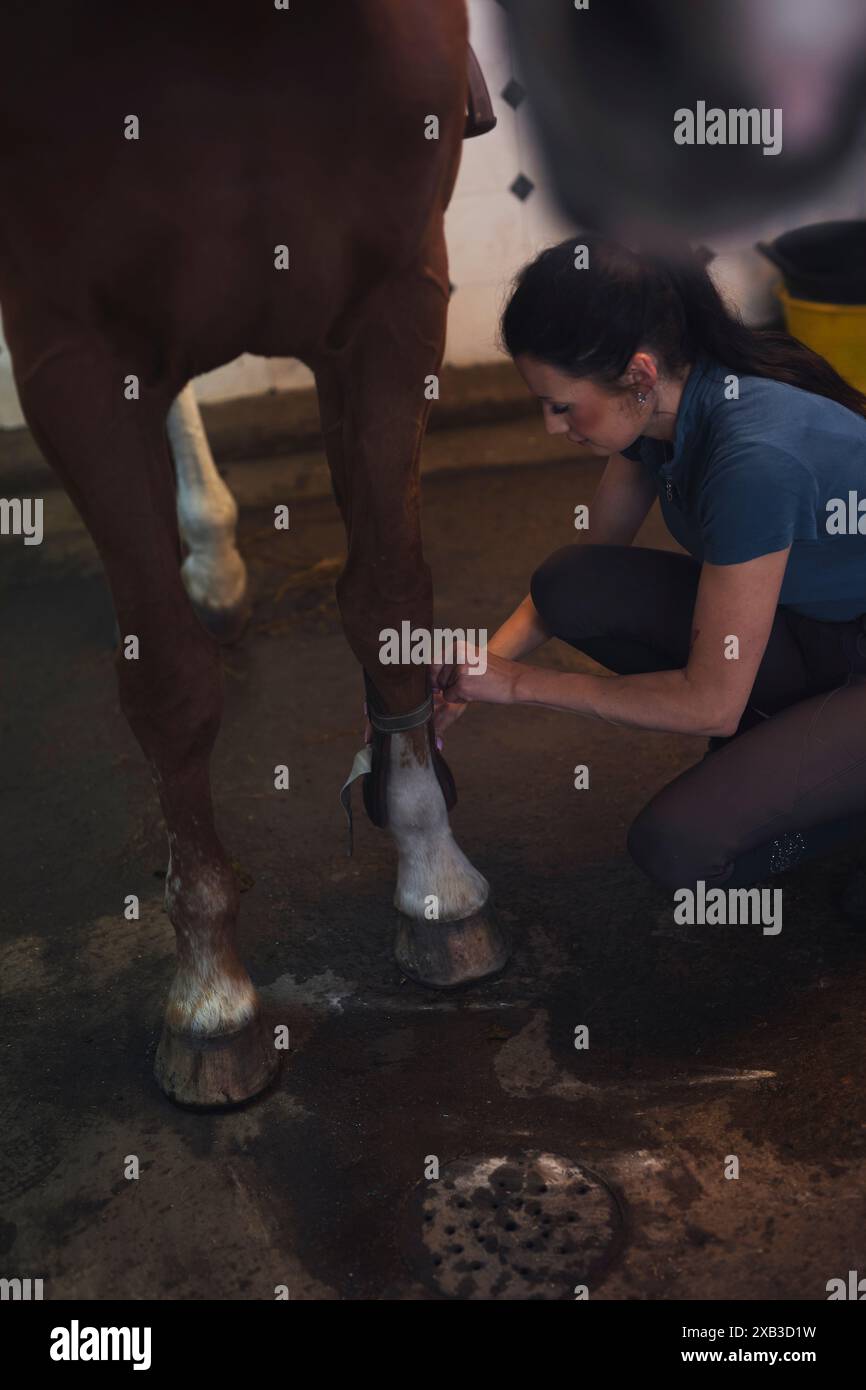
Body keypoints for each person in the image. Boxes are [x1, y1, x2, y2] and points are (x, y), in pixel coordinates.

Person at [432, 233, 866, 902]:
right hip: (816, 626)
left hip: (845, 648)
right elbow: (588, 570)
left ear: (637, 374)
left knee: (678, 850)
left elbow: (710, 703)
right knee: (570, 580)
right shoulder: (661, 411)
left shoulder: (753, 459)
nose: (552, 427)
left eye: (561, 405)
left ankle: (840, 810)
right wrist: (467, 678)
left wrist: (518, 685)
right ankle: (800, 753)